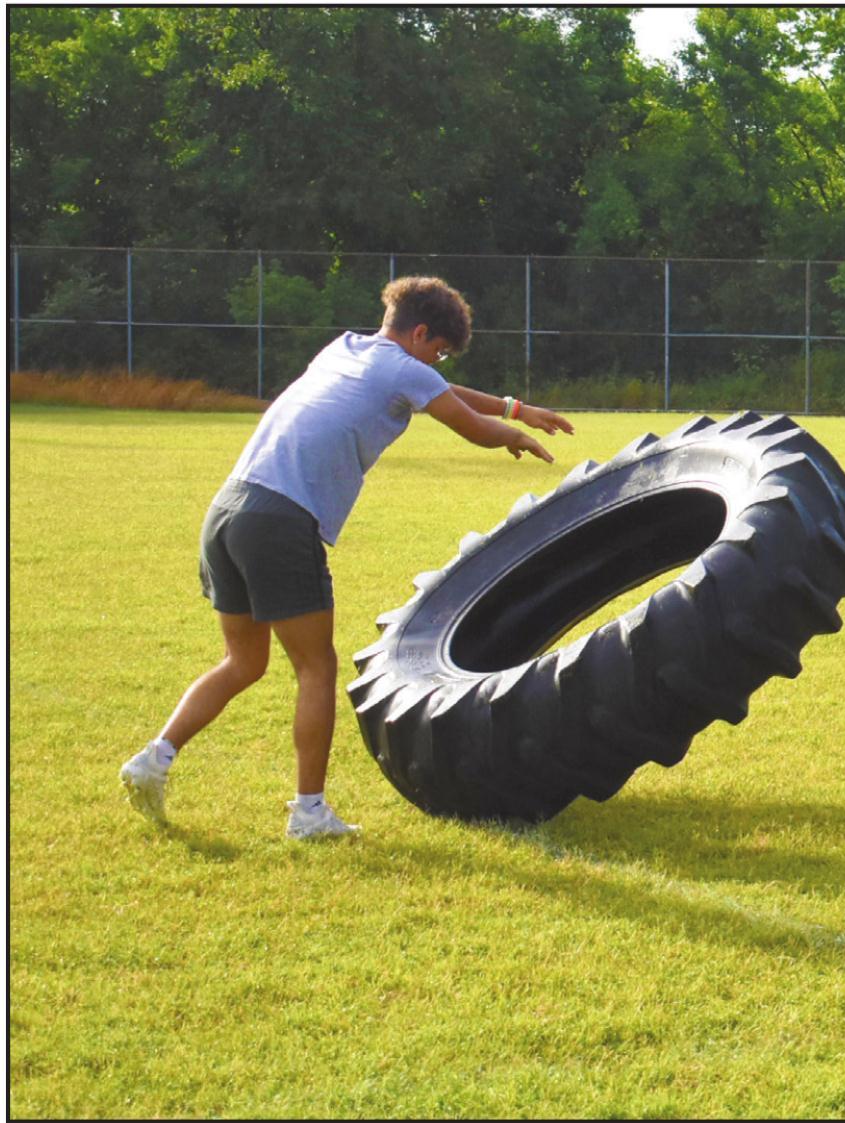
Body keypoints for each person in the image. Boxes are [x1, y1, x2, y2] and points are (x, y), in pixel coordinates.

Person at [118, 276, 575, 840]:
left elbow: (438, 390)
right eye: (440, 351)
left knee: (244, 662)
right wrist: (511, 433)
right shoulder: (405, 369)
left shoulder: (344, 347)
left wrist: (516, 407)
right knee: (316, 668)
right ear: (421, 332)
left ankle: (153, 759)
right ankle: (309, 813)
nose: (440, 363)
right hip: (282, 521)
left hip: (230, 509)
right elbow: (465, 420)